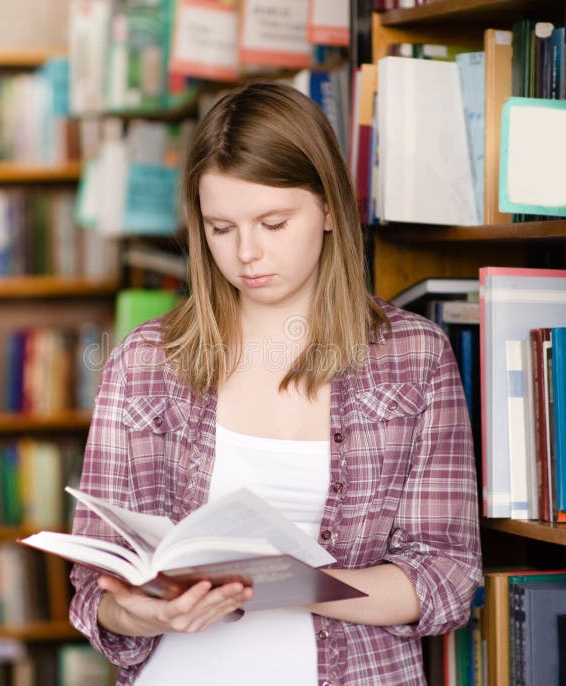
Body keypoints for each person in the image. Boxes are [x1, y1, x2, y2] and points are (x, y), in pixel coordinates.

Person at [69, 81, 482, 685]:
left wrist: (286, 584)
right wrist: (140, 612)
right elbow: (94, 589)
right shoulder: (144, 361)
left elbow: (446, 576)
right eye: (221, 229)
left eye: (273, 222)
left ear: (331, 210)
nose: (247, 254)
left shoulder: (414, 357)